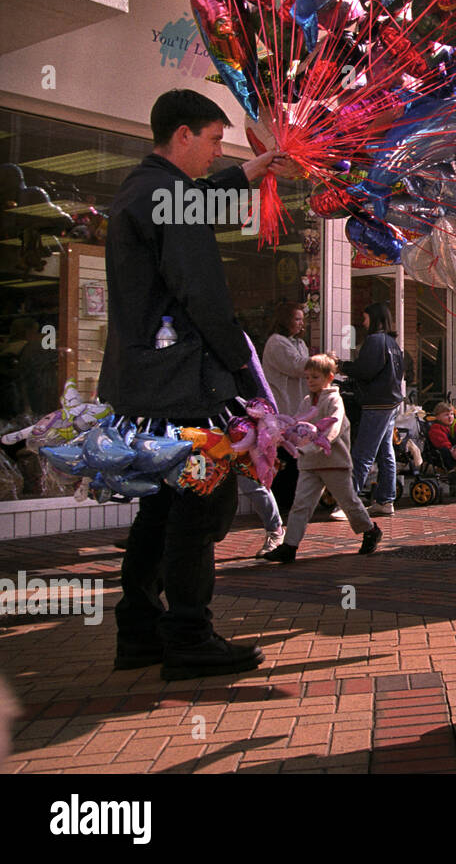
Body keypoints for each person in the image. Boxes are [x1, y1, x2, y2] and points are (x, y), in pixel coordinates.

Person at [101, 88, 292, 680]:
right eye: (213, 140)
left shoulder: (145, 189)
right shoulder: (167, 197)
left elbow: (195, 202)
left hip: (147, 383)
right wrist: (244, 370)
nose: (216, 152)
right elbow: (203, 295)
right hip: (186, 385)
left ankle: (138, 628)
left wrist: (246, 172)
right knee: (199, 501)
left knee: (160, 504)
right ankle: (188, 633)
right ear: (182, 135)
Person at [261, 354, 382, 563]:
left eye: (315, 377)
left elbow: (333, 428)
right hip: (309, 464)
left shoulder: (335, 400)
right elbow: (297, 422)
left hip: (334, 462)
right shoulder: (308, 400)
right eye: (308, 377)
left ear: (330, 377)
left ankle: (370, 530)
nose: (310, 381)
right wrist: (283, 434)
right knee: (301, 504)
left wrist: (312, 447)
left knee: (348, 502)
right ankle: (289, 546)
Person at [343, 302, 405, 517]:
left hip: (376, 403)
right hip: (391, 402)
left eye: (366, 317)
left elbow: (365, 370)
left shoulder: (374, 341)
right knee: (385, 452)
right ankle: (385, 500)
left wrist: (340, 366)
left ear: (375, 318)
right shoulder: (393, 343)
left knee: (363, 453)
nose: (363, 322)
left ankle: (349, 503)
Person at [261, 302, 310, 514]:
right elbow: (297, 366)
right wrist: (323, 362)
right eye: (296, 319)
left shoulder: (299, 343)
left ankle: (293, 504)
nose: (301, 323)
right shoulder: (276, 343)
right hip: (282, 410)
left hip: (297, 410)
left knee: (296, 459)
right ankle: (282, 505)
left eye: (302, 319)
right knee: (284, 461)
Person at [426, 401, 456, 477]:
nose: (450, 417)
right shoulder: (436, 428)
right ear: (438, 417)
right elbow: (441, 441)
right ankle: (451, 470)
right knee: (444, 452)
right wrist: (452, 450)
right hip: (444, 452)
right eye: (446, 415)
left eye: (451, 414)